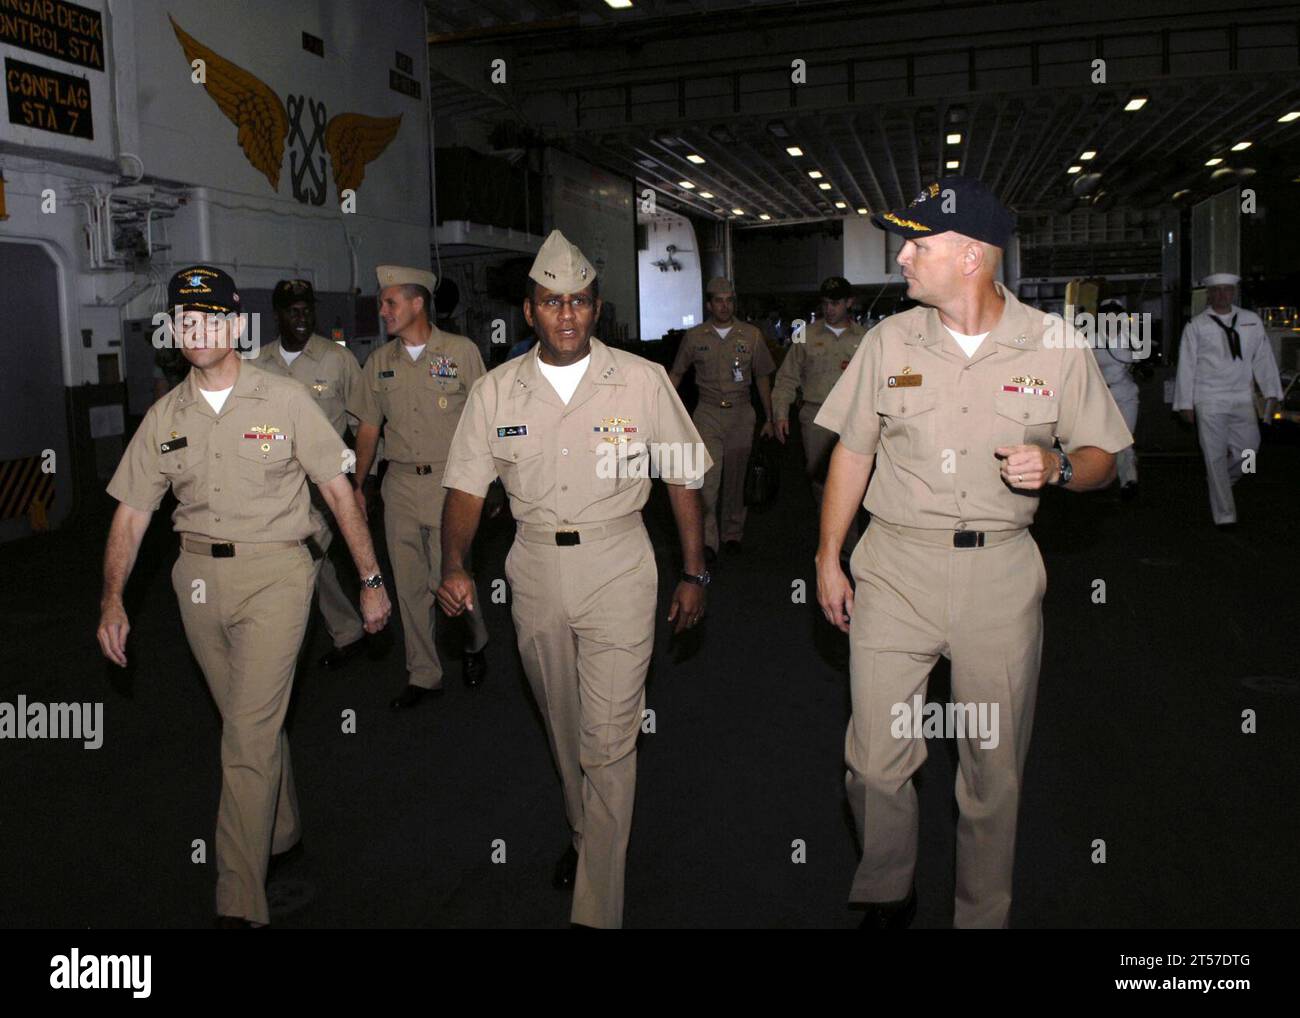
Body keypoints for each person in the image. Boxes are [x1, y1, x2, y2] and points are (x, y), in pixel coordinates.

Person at [814, 177, 1132, 929]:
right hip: (895, 568)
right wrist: (829, 555)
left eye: (918, 243)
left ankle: (980, 915)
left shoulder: (1053, 344)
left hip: (999, 574)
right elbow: (852, 453)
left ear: (970, 257)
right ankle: (889, 888)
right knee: (872, 762)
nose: (903, 256)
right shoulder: (889, 341)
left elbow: (1103, 456)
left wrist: (1057, 467)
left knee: (992, 770)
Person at [96, 265, 391, 927]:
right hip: (197, 584)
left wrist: (370, 581)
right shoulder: (166, 416)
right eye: (185, 320)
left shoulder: (283, 400)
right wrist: (112, 600)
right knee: (246, 722)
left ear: (235, 325)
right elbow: (131, 515)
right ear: (175, 331)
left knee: (246, 738)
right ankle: (281, 833)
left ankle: (238, 898)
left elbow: (338, 490)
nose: (198, 331)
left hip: (280, 575)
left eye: (211, 318)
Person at [436, 229, 710, 929]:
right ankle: (587, 838)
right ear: (529, 311)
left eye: (580, 302)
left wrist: (694, 569)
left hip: (620, 563)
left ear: (597, 309)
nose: (567, 315)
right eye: (552, 302)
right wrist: (455, 563)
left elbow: (681, 476)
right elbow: (466, 489)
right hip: (532, 568)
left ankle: (597, 909)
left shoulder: (642, 382)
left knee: (608, 740)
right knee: (564, 729)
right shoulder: (497, 392)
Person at [352, 266, 489, 709]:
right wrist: (360, 483)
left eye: (390, 302)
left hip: (453, 484)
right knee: (409, 584)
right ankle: (424, 674)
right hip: (400, 485)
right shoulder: (379, 362)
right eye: (381, 302)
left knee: (444, 575)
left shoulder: (461, 352)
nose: (382, 310)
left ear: (417, 304)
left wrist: (494, 480)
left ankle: (473, 644)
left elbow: (485, 418)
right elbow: (370, 427)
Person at [254, 278, 383, 667]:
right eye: (293, 311)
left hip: (327, 485)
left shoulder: (337, 359)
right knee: (318, 563)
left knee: (304, 557)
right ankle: (347, 630)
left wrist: (365, 481)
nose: (302, 318)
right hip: (277, 486)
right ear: (277, 315)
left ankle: (277, 651)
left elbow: (366, 422)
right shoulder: (257, 363)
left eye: (308, 310)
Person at [669, 276, 775, 560]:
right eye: (719, 300)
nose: (725, 306)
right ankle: (708, 541)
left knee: (737, 480)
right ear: (709, 304)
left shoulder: (751, 335)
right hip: (707, 413)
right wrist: (664, 409)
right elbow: (677, 374)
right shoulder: (695, 337)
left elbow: (763, 376)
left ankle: (732, 534)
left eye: (729, 300)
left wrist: (770, 417)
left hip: (741, 413)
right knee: (707, 480)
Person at [1172, 273, 1282, 529]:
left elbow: (1263, 358)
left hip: (1241, 396)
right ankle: (1225, 515)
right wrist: (1185, 403)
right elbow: (1186, 366)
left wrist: (1271, 393)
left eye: (1227, 290)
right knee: (1214, 456)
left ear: (1234, 293)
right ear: (1209, 294)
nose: (1222, 295)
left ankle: (1222, 479)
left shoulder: (1250, 321)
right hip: (1208, 399)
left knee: (1250, 452)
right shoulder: (1197, 326)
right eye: (1217, 291)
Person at [773, 276, 868, 522]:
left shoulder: (866, 338)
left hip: (853, 418)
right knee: (820, 480)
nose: (829, 309)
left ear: (849, 302)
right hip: (816, 418)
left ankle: (848, 543)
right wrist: (780, 413)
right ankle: (833, 541)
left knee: (855, 478)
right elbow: (786, 378)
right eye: (825, 303)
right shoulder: (805, 336)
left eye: (835, 303)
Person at [1092, 299, 1141, 499]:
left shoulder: (1131, 339)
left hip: (1126, 394)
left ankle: (1129, 480)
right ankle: (1103, 477)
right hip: (1101, 397)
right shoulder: (1090, 340)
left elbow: (1140, 361)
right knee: (1105, 441)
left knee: (1125, 439)